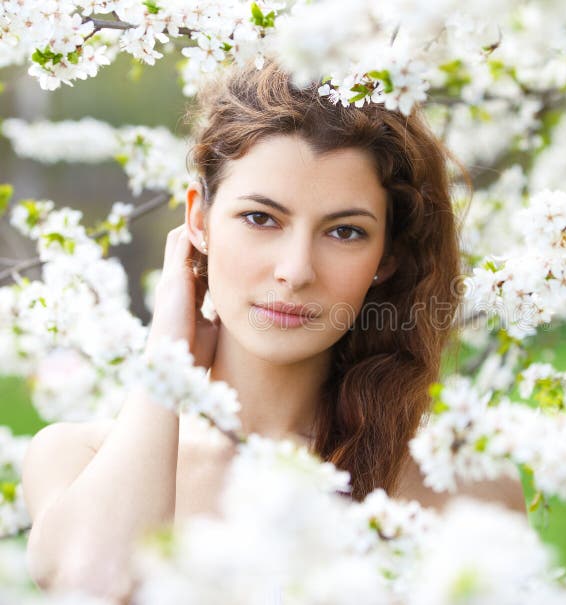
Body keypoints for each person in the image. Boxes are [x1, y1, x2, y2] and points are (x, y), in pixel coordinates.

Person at [20, 60, 525, 602]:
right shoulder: (77, 457)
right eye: (261, 219)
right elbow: (96, 581)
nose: (296, 270)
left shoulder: (465, 489)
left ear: (387, 258)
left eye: (346, 231)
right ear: (198, 222)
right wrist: (165, 357)